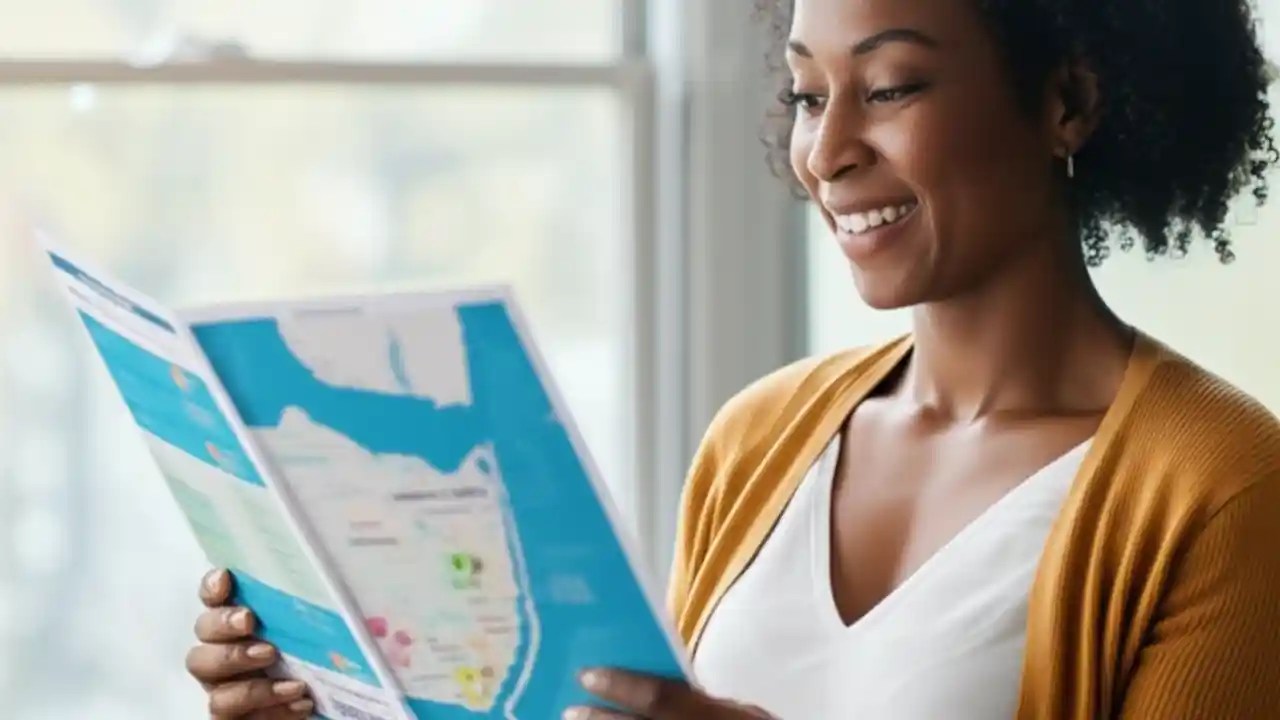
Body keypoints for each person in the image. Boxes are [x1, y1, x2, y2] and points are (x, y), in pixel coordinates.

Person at [185, 0, 1280, 717]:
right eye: (807, 95)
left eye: (889, 87)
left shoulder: (1222, 489)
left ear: (1066, 101)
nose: (826, 149)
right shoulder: (760, 440)